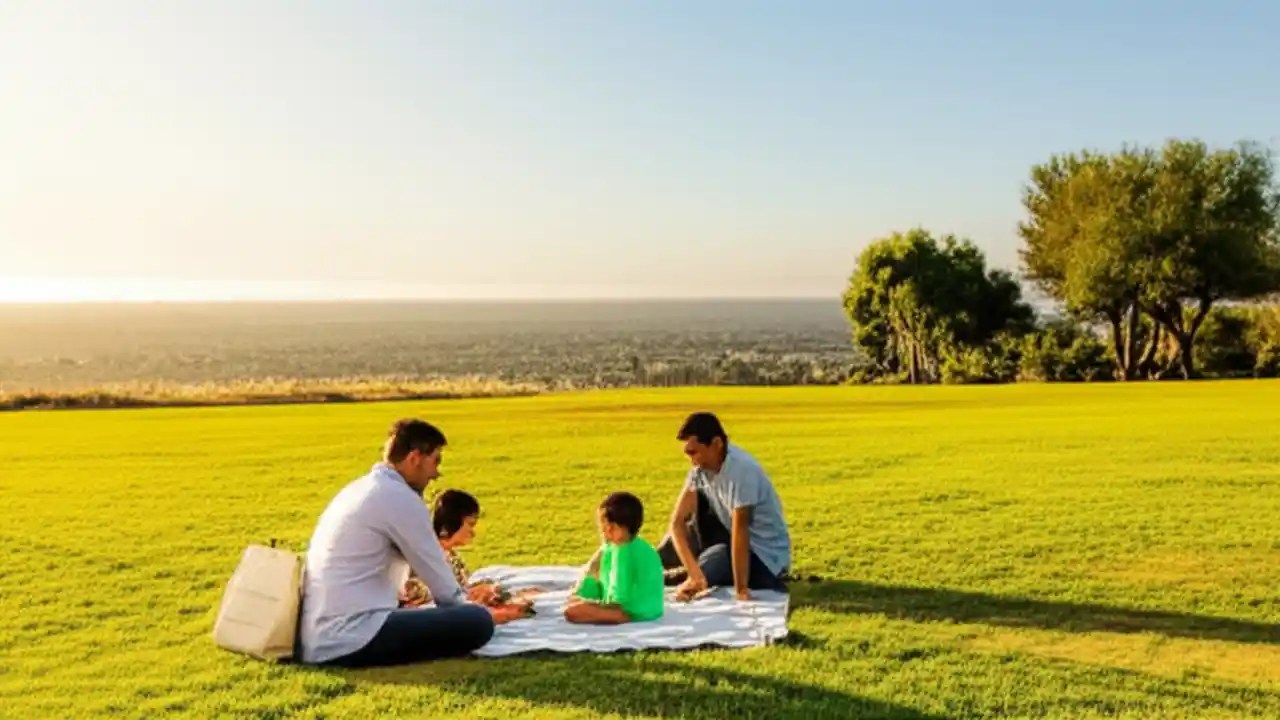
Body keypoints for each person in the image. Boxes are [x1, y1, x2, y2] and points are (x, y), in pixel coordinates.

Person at [298, 419, 515, 667]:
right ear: (415, 458)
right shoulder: (398, 498)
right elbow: (440, 580)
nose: (436, 473)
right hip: (350, 637)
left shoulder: (361, 489)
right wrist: (468, 608)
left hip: (319, 634)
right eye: (435, 461)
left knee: (435, 614)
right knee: (477, 621)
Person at [659, 412, 791, 602]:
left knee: (717, 559)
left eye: (694, 452)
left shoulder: (742, 471)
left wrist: (741, 590)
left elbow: (741, 532)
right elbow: (677, 522)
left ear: (716, 444)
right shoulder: (700, 470)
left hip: (763, 557)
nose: (691, 460)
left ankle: (681, 577)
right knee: (677, 540)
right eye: (688, 453)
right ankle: (637, 570)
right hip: (727, 534)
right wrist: (693, 569)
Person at [400, 489, 536, 615]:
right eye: (470, 525)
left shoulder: (452, 557)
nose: (473, 533)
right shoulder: (420, 556)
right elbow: (416, 595)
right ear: (450, 524)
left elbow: (463, 588)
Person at [565, 491, 665, 625]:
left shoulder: (624, 552)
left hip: (633, 610)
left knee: (573, 611)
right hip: (626, 606)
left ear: (627, 528)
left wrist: (591, 604)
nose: (606, 534)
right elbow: (593, 570)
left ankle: (616, 617)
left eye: (611, 529)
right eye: (603, 529)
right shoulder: (615, 546)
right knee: (576, 602)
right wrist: (581, 594)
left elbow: (619, 598)